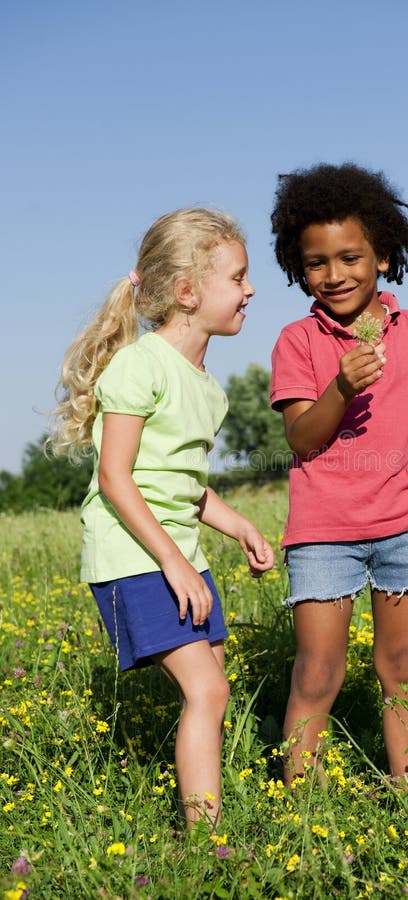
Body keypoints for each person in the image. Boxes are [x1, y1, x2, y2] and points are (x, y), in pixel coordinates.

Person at [270, 164, 408, 807]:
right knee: (317, 672)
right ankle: (302, 814)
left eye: (350, 257)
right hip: (323, 533)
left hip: (406, 524)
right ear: (297, 267)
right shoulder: (297, 341)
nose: (334, 274)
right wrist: (341, 386)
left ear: (385, 258)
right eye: (316, 263)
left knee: (401, 669)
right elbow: (302, 439)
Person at [50, 208, 275, 828]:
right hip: (134, 556)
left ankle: (208, 816)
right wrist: (173, 562)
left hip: (178, 554)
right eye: (238, 277)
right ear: (187, 292)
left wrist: (240, 527)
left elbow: (183, 487)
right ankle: (206, 840)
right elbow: (116, 478)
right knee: (209, 691)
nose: (250, 290)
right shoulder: (140, 366)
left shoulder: (207, 386)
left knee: (214, 682)